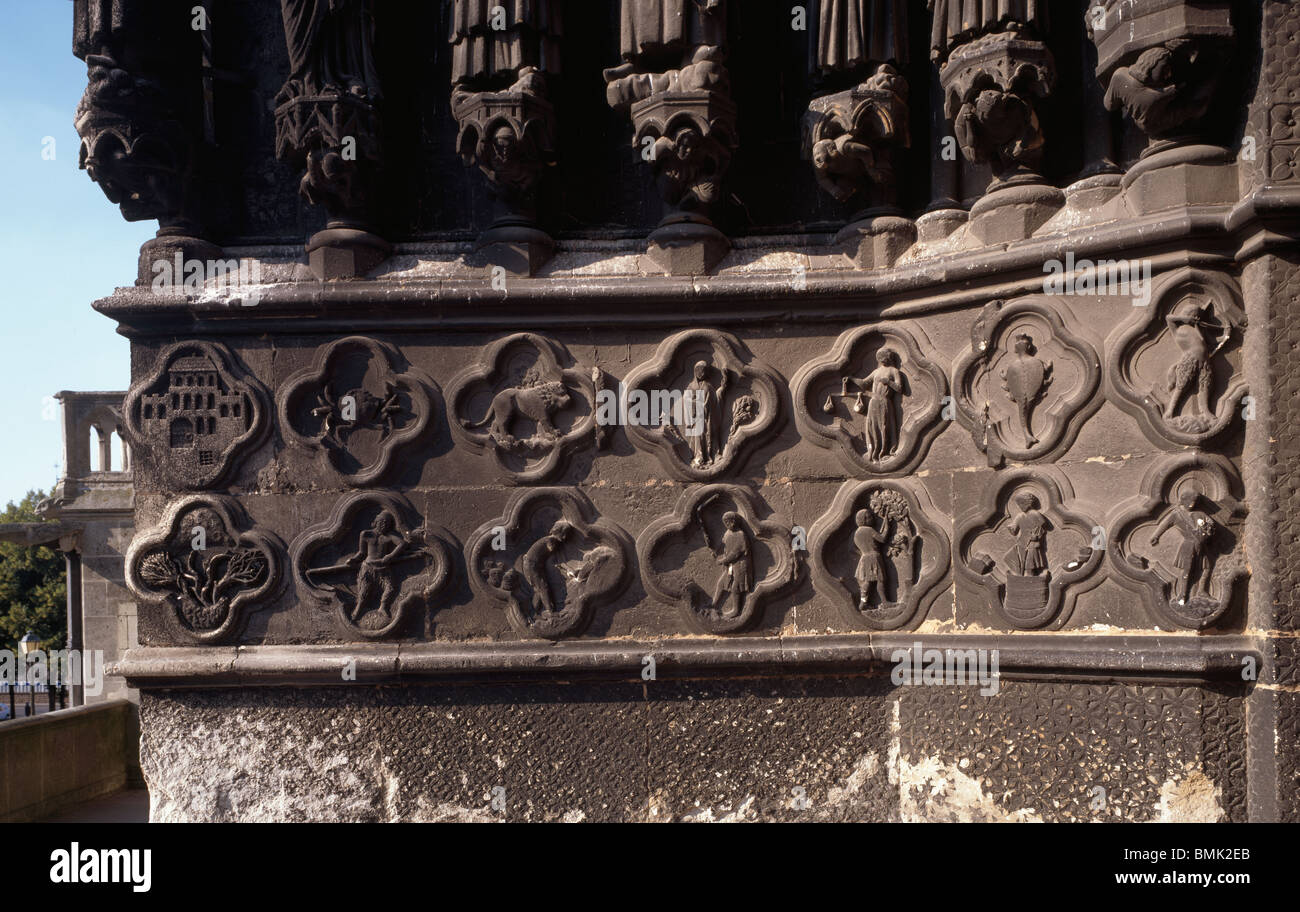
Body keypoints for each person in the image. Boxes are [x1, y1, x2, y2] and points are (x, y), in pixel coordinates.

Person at [711, 512, 752, 618]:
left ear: (734, 521)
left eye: (728, 521)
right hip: (730, 566)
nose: (727, 524)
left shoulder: (740, 535)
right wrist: (716, 550)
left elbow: (735, 554)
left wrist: (722, 561)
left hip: (740, 566)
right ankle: (713, 604)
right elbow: (723, 544)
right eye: (725, 522)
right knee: (722, 582)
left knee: (735, 587)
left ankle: (736, 610)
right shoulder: (728, 533)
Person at [853, 507, 887, 608]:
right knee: (880, 579)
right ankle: (885, 602)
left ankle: (863, 602)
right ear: (863, 519)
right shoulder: (869, 530)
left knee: (867, 581)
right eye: (869, 517)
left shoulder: (857, 532)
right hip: (874, 557)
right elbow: (883, 539)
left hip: (864, 558)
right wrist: (887, 526)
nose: (872, 518)